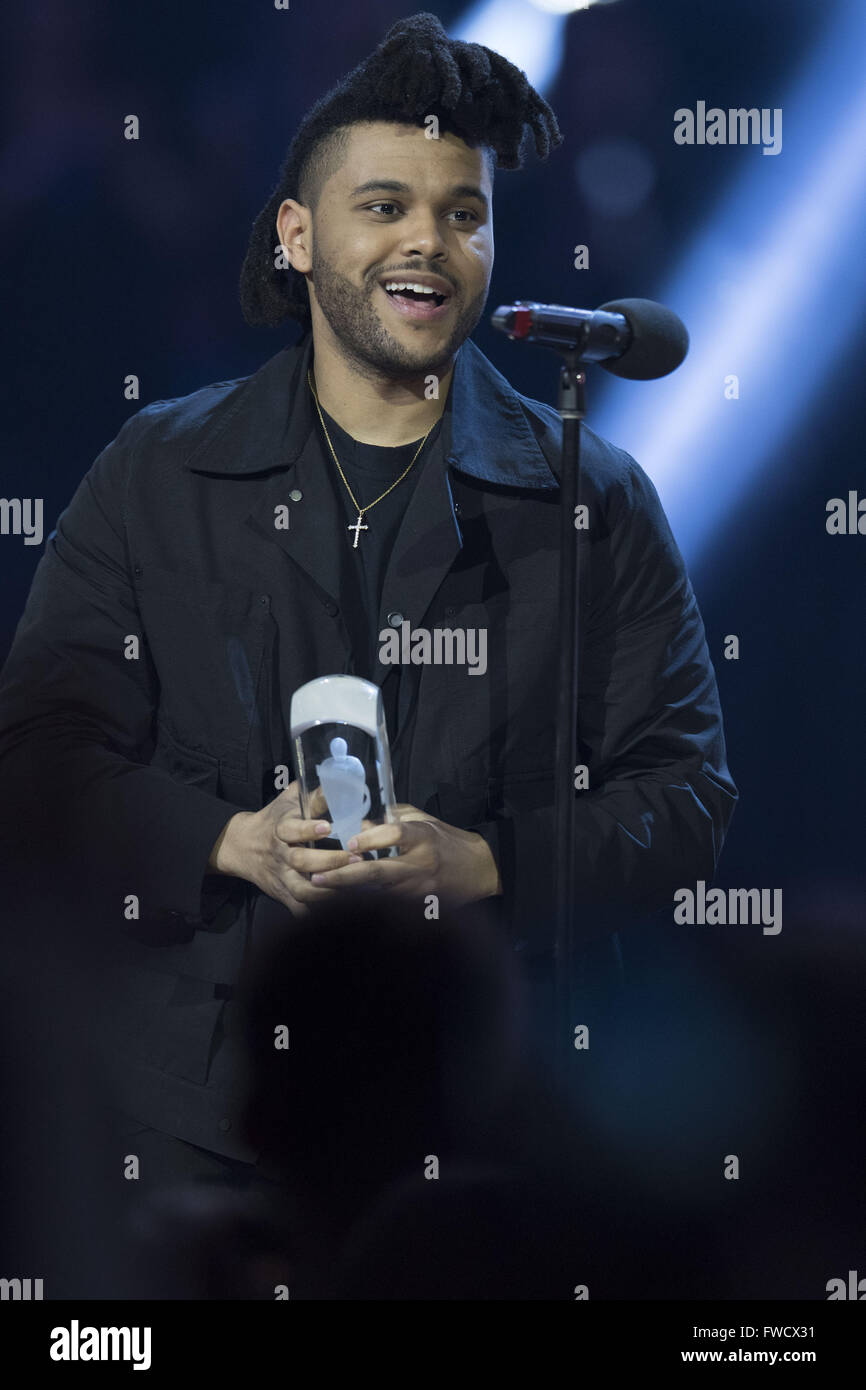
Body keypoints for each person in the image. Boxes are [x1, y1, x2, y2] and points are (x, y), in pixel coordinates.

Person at [0, 12, 736, 1189]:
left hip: (492, 1124)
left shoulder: (589, 495)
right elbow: (38, 756)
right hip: (202, 1121)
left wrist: (485, 865)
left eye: (461, 213)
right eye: (383, 207)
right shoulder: (157, 470)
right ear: (295, 235)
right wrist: (228, 840)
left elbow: (687, 798)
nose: (429, 246)